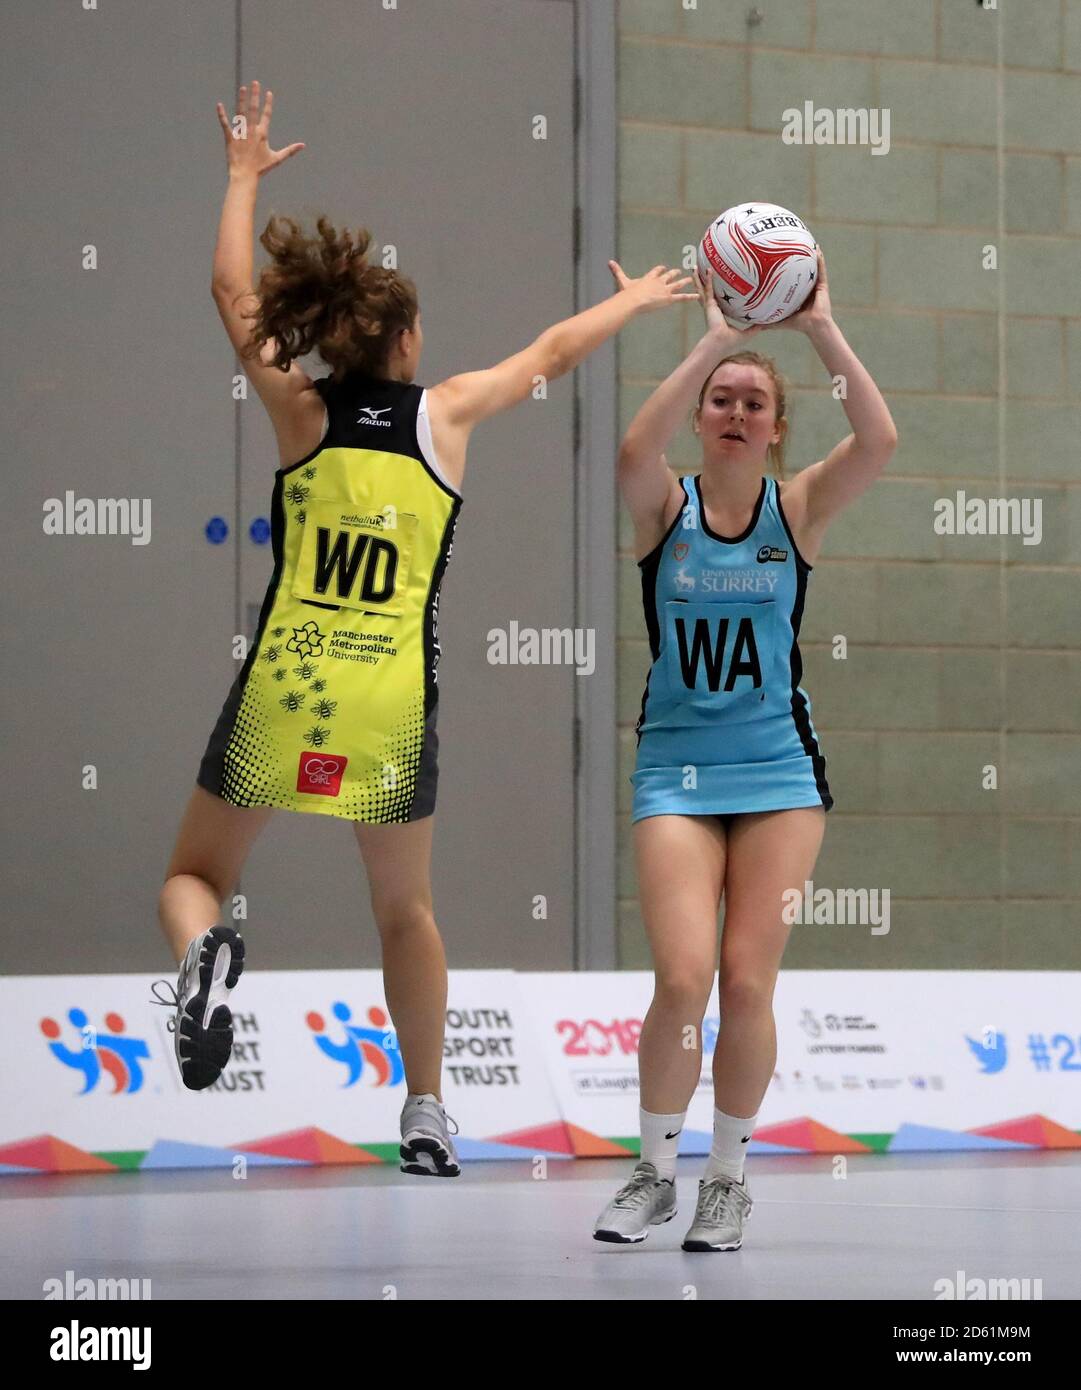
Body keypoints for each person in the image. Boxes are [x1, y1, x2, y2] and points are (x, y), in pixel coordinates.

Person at [151, 80, 696, 1178]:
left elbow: (226, 287)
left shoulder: (297, 409)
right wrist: (633, 304)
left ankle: (201, 957)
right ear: (403, 340)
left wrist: (243, 177)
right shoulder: (444, 413)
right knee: (405, 908)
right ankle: (426, 1107)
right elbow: (548, 354)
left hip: (286, 681)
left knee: (193, 876)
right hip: (390, 698)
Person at [593, 249, 897, 1248]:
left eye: (750, 403)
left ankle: (726, 1179)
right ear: (701, 416)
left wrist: (814, 327)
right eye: (718, 398)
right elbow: (630, 452)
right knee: (683, 978)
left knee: (748, 979)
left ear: (772, 427)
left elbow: (879, 437)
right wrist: (719, 334)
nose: (731, 411)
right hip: (674, 772)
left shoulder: (795, 508)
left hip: (778, 773)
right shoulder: (664, 510)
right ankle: (650, 1173)